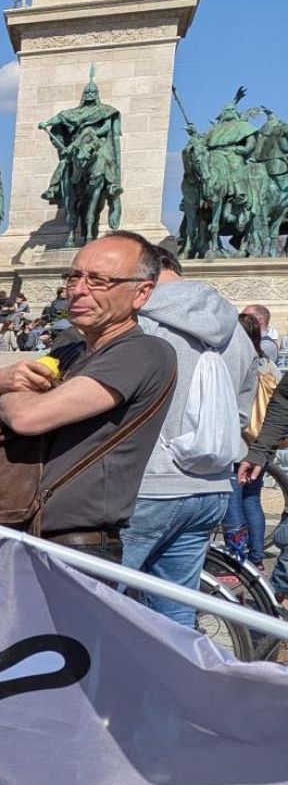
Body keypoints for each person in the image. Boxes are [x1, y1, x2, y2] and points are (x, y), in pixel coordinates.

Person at [0, 232, 177, 561]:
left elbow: (28, 417)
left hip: (71, 546)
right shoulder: (69, 346)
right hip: (12, 528)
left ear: (142, 293)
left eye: (100, 281)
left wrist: (7, 389)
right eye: (74, 276)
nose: (78, 290)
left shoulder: (143, 352)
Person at [121, 249, 255, 625]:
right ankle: (177, 684)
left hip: (149, 485)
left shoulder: (140, 323)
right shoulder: (236, 330)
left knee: (94, 600)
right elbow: (240, 413)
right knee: (176, 610)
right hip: (211, 488)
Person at [225, 309, 270, 566]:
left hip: (239, 443)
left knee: (234, 506)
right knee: (252, 500)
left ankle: (237, 561)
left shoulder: (236, 361)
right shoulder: (267, 363)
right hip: (260, 443)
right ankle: (256, 559)